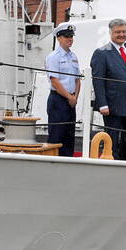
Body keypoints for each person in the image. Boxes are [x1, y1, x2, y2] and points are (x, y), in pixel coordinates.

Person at [90, 18, 126, 160]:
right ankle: (111, 167)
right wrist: (102, 104)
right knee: (112, 141)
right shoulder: (101, 53)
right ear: (110, 33)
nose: (121, 34)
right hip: (113, 105)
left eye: (123, 31)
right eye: (117, 32)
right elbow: (98, 81)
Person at [45, 23, 81, 157]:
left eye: (71, 36)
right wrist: (69, 97)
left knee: (69, 135)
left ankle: (68, 162)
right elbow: (55, 81)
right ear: (58, 38)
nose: (70, 39)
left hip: (71, 100)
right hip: (58, 100)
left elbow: (77, 79)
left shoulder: (73, 57)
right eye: (67, 36)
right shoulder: (53, 57)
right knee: (57, 135)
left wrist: (75, 97)